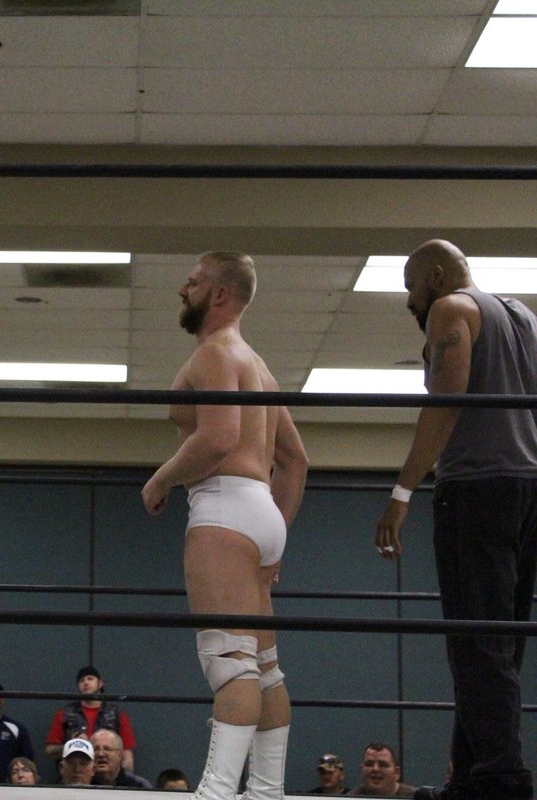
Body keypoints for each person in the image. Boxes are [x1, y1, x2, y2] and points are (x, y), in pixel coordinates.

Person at [374, 239, 537, 800]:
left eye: (410, 287)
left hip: (476, 487)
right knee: (499, 640)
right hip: (526, 487)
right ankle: (473, 774)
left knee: (477, 642)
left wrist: (402, 492)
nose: (409, 301)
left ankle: (502, 777)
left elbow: (445, 402)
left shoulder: (451, 309)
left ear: (437, 276)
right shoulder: (522, 315)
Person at [142, 251, 308, 800]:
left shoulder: (216, 353)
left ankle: (215, 793)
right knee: (264, 666)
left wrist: (160, 480)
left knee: (230, 663)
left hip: (223, 508)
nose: (181, 290)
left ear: (219, 295)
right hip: (260, 510)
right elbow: (296, 461)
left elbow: (216, 438)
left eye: (192, 282)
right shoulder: (258, 365)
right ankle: (265, 792)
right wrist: (276, 535)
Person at [44, 665, 137, 771]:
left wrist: (126, 777)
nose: (86, 683)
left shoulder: (117, 713)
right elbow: (50, 751)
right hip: (76, 773)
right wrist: (72, 745)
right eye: (82, 680)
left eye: (90, 679)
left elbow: (127, 753)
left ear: (100, 683)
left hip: (108, 774)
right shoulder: (64, 713)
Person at [349, 743, 415, 798]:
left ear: (396, 772)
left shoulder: (415, 797)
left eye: (383, 765)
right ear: (361, 770)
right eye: (369, 764)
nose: (375, 769)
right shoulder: (351, 797)